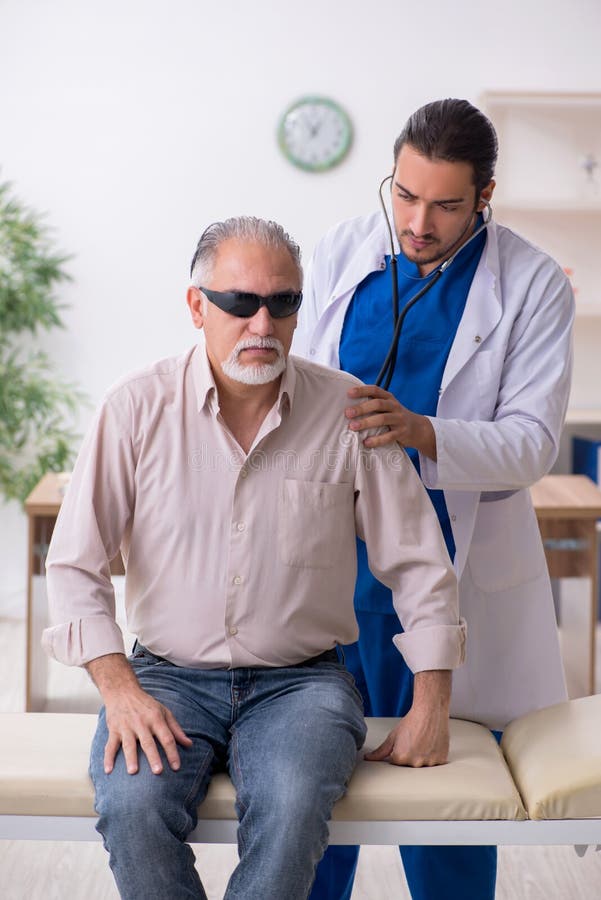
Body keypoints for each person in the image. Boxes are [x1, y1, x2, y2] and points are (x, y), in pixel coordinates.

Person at [42, 216, 466, 900]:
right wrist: (120, 692)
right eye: (239, 302)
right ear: (197, 307)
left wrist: (431, 702)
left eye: (283, 302)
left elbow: (419, 563)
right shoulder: (133, 409)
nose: (261, 323)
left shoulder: (349, 412)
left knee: (294, 806)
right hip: (164, 679)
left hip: (302, 685)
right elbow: (72, 565)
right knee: (132, 808)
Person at [293, 99, 575, 900]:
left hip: (447, 578)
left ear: (484, 196)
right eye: (405, 195)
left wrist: (422, 431)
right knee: (309, 802)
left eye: (445, 205)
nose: (417, 222)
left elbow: (527, 444)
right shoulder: (342, 253)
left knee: (448, 811)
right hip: (326, 577)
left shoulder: (528, 284)